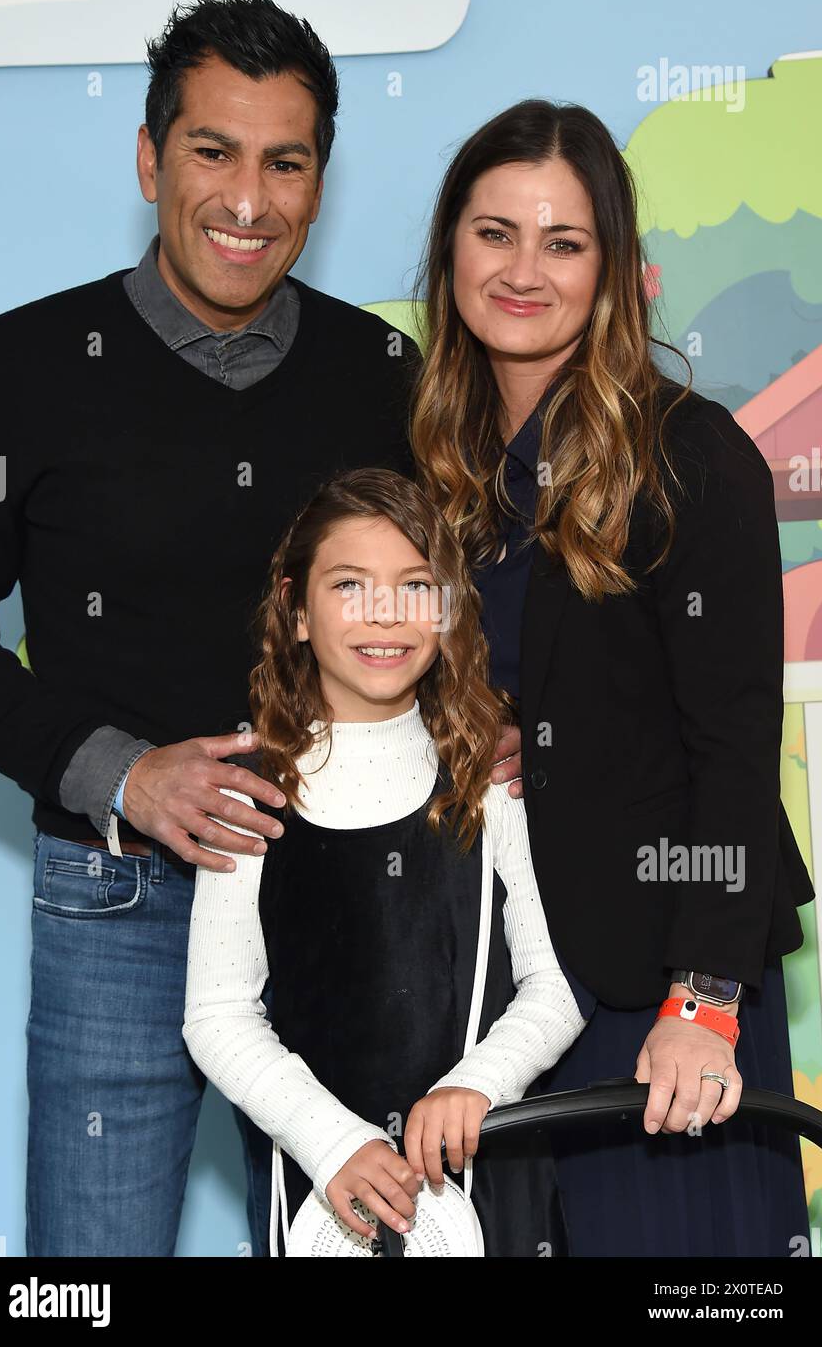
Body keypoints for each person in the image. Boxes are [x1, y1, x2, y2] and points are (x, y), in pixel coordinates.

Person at [0, 0, 526, 1258]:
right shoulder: (14, 370)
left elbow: (450, 604)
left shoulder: (386, 378)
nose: (249, 199)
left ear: (322, 180)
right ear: (150, 157)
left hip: (365, 898)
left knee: (388, 1247)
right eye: (212, 151)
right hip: (124, 904)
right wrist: (121, 773)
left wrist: (494, 727)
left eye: (287, 161)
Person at [407, 98, 816, 1256]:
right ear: (449, 251)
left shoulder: (693, 456)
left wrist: (704, 1004)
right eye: (494, 234)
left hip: (658, 983)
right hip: (496, 991)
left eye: (563, 241)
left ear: (618, 269)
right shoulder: (431, 469)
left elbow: (734, 748)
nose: (522, 270)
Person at [181, 467, 586, 1256]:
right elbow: (218, 1016)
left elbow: (558, 982)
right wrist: (332, 1141)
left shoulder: (490, 781)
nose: (384, 614)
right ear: (296, 613)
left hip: (492, 1189)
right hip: (319, 1192)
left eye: (413, 585)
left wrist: (477, 1084)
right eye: (349, 585)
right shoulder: (251, 798)